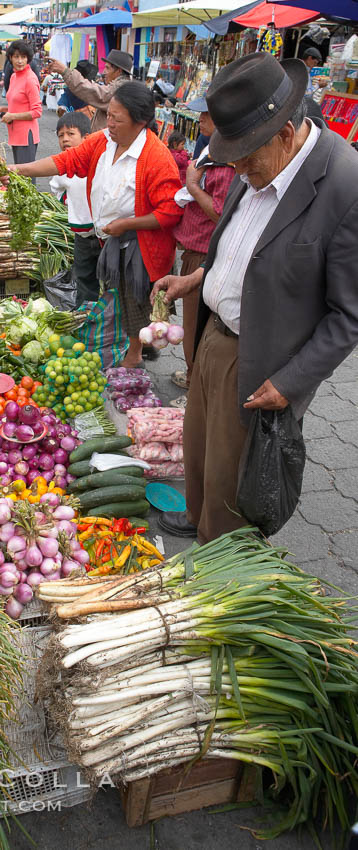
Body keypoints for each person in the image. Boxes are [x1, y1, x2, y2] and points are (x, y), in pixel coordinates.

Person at [152, 52, 358, 544]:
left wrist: (291, 381)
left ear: (285, 133)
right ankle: (199, 517)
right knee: (199, 446)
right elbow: (241, 247)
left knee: (234, 473)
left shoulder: (345, 185)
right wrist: (197, 279)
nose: (239, 169)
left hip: (260, 362)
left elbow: (348, 316)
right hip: (212, 339)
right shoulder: (258, 167)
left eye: (247, 156)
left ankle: (224, 562)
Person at [8, 82, 182, 368]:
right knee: (119, 297)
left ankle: (135, 356)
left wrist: (127, 224)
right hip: (114, 239)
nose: (109, 123)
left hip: (144, 246)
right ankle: (131, 348)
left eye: (117, 118)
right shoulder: (103, 141)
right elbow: (67, 161)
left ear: (140, 122)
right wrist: (20, 170)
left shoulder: (156, 157)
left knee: (138, 300)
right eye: (108, 115)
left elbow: (170, 212)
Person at [170, 95, 235, 400]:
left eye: (206, 116)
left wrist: (194, 187)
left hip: (204, 254)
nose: (200, 121)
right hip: (197, 250)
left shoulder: (225, 162)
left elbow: (220, 212)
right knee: (195, 323)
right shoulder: (212, 149)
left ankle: (194, 388)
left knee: (195, 326)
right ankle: (193, 377)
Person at [49, 112, 101, 306]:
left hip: (104, 235)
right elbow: (56, 187)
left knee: (111, 279)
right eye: (61, 135)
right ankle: (85, 317)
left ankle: (110, 318)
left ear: (87, 138)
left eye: (71, 134)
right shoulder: (63, 165)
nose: (65, 139)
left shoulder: (97, 162)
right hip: (82, 236)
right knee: (84, 278)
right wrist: (69, 202)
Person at [49, 49, 133, 132]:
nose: (104, 72)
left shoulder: (120, 89)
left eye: (107, 68)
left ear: (118, 71)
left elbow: (92, 91)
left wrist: (65, 72)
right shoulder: (119, 87)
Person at [0, 40, 42, 167]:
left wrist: (12, 116)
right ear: (10, 58)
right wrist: (1, 108)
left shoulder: (30, 79)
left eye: (23, 57)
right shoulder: (14, 77)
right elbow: (18, 105)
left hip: (26, 135)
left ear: (28, 59)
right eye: (16, 57)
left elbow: (37, 111)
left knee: (26, 177)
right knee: (19, 175)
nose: (20, 61)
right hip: (15, 133)